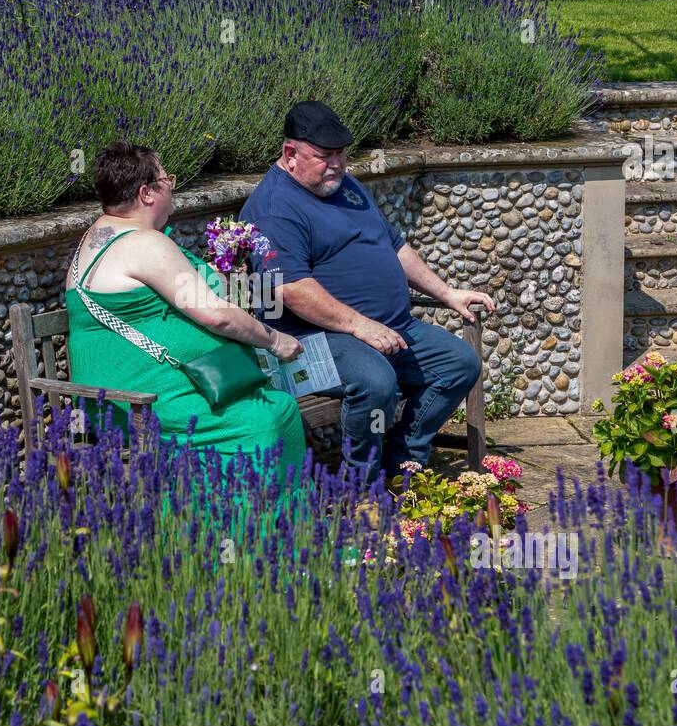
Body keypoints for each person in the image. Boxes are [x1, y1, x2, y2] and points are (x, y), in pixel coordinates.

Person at [239, 100, 496, 484]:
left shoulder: (346, 186)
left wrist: (446, 293)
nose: (338, 164)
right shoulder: (275, 208)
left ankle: (404, 464)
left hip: (390, 327)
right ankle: (362, 486)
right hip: (311, 341)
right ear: (290, 154)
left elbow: (394, 246)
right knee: (375, 381)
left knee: (459, 363)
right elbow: (289, 289)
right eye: (324, 156)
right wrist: (360, 326)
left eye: (342, 153)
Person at [64, 139, 308, 491]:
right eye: (168, 180)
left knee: (274, 408)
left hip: (117, 399)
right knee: (266, 417)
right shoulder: (144, 244)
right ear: (147, 193)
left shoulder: (97, 237)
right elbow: (216, 316)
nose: (172, 188)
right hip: (138, 404)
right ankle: (248, 531)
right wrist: (274, 340)